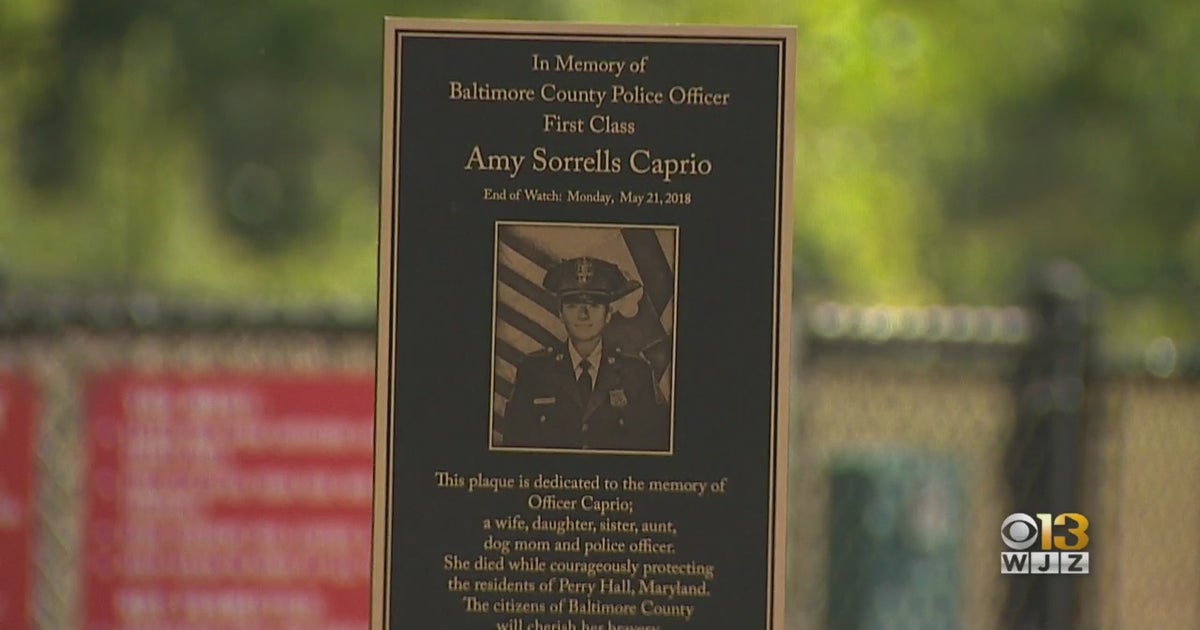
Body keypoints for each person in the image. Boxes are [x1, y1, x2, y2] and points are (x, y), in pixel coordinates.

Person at [501, 256, 667, 451]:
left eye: (594, 305)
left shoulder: (637, 373)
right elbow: (514, 448)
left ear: (608, 313)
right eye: (572, 305)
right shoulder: (533, 372)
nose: (583, 315)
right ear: (560, 314)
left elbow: (654, 448)